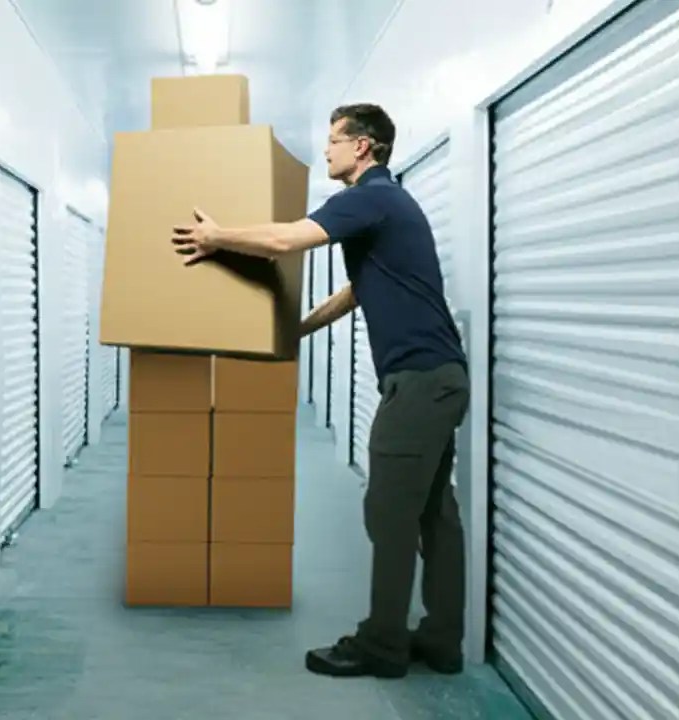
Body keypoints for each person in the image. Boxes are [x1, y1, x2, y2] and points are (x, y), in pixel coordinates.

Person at [170, 103, 470, 680]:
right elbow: (357, 291)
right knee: (434, 513)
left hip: (419, 382)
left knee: (388, 512)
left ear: (363, 147)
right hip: (438, 380)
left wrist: (218, 237)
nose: (327, 150)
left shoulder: (369, 198)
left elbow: (286, 240)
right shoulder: (389, 207)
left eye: (334, 140)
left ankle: (382, 646)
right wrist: (295, 328)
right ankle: (440, 641)